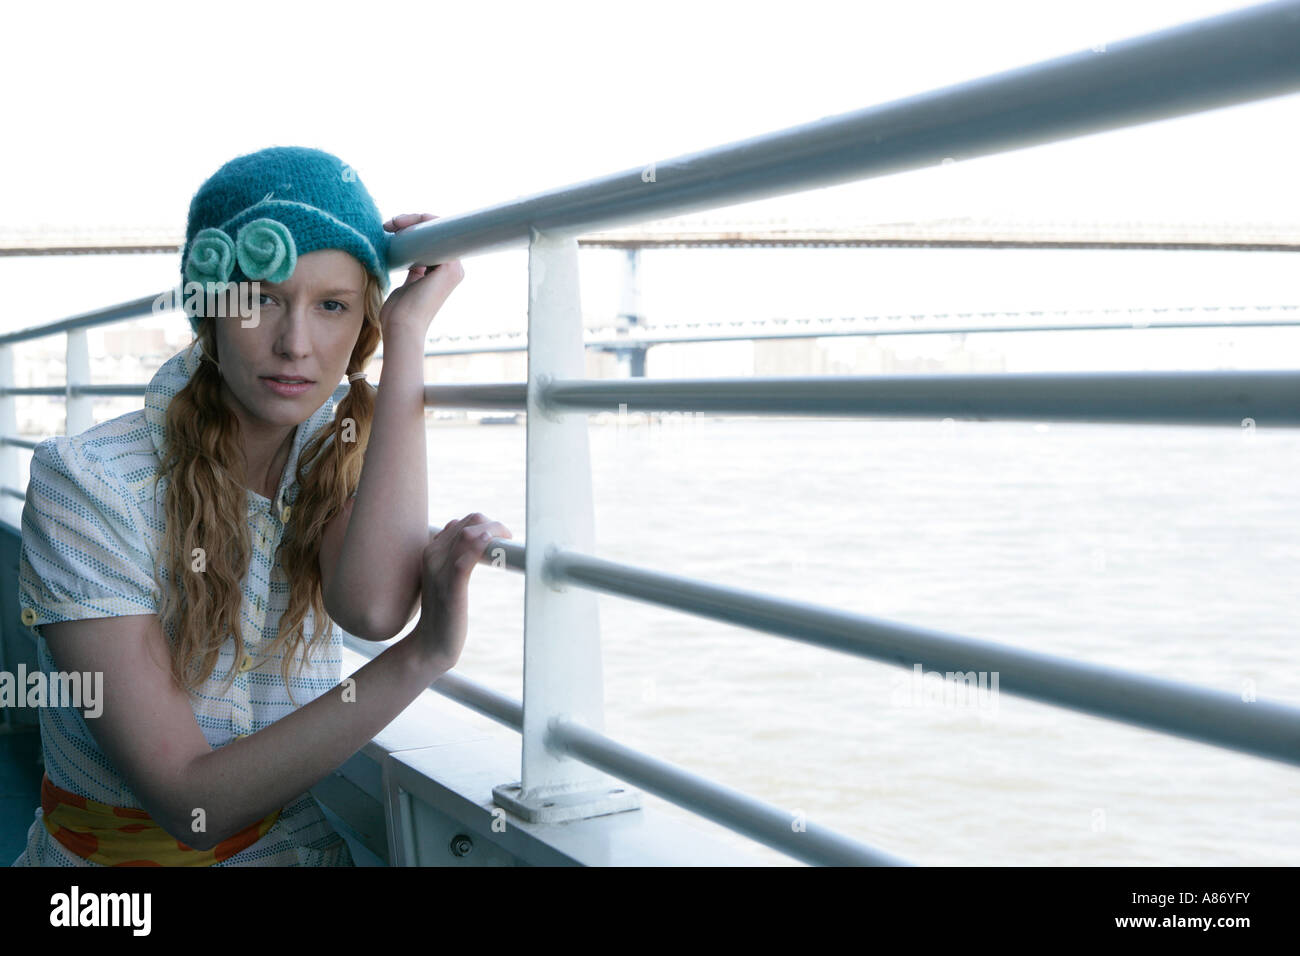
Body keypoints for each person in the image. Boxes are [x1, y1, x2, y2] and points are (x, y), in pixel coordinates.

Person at [11, 145, 510, 866]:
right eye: (261, 300)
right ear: (209, 310)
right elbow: (192, 805)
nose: (295, 344)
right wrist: (422, 658)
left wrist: (406, 338)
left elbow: (371, 610)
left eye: (333, 306)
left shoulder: (327, 447)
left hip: (295, 848)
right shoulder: (87, 484)